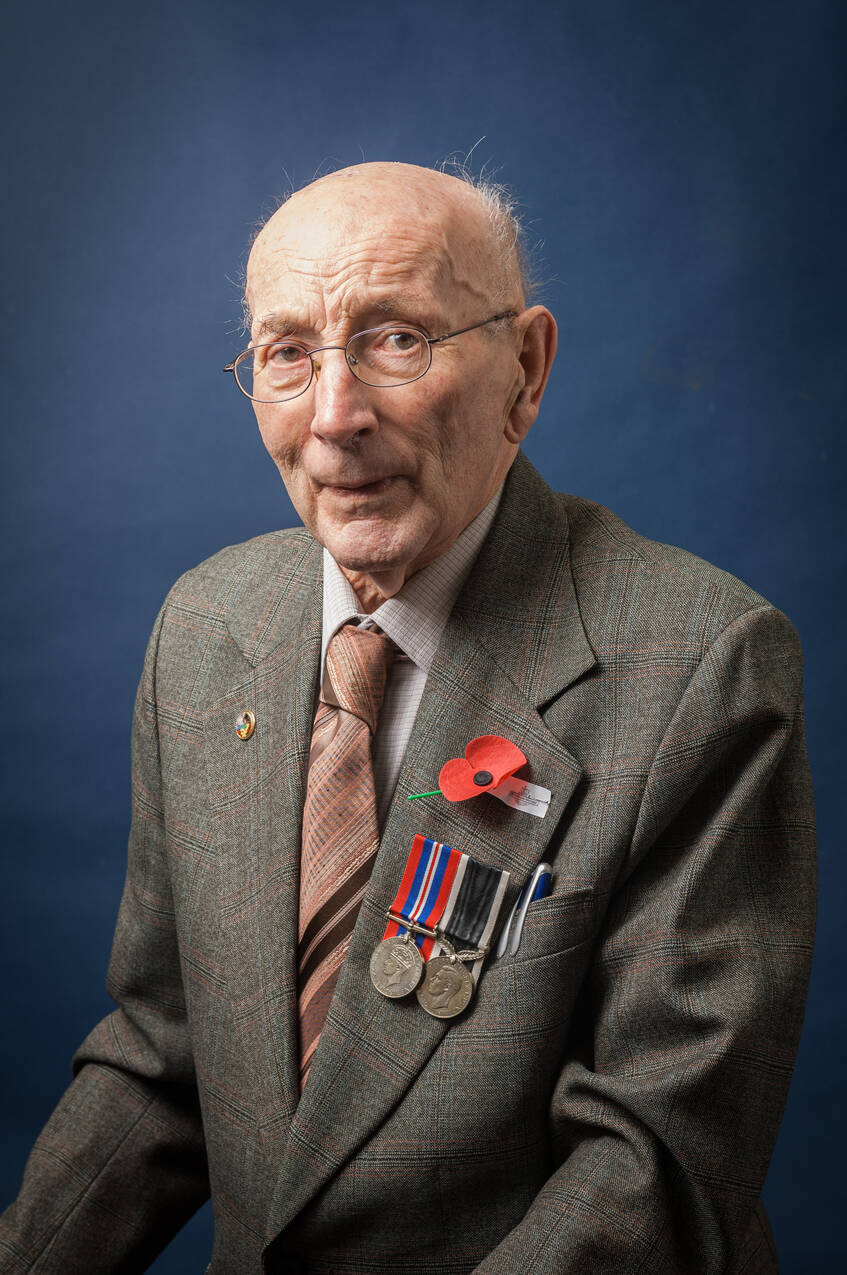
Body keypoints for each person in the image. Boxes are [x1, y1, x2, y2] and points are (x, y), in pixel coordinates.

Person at [0, 162, 816, 1274]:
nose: (334, 417)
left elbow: (657, 1165)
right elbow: (163, 1057)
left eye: (394, 340)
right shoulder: (205, 629)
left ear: (523, 370)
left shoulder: (701, 666)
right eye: (288, 354)